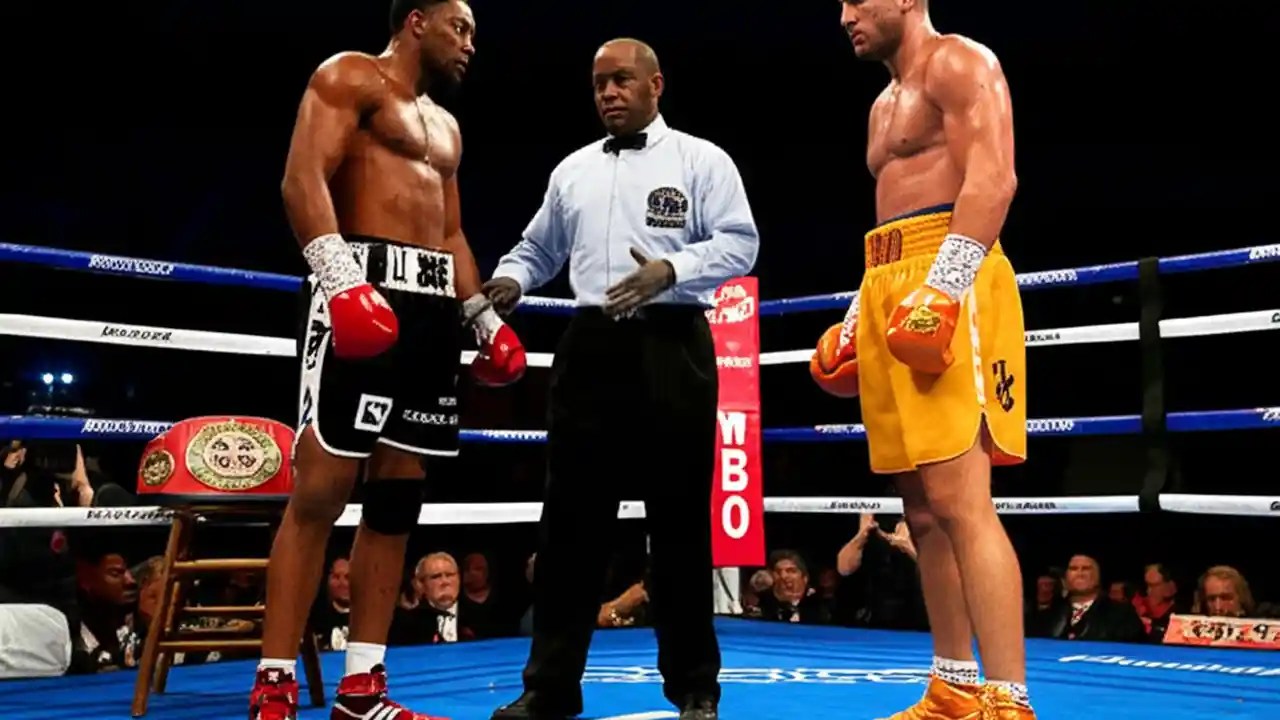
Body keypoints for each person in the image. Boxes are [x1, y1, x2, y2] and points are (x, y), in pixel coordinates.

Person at [251, 1, 527, 718]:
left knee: (398, 500)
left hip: (432, 310)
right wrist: (341, 283)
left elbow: (454, 232)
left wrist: (481, 316)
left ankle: (362, 688)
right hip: (360, 288)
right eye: (459, 28)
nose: (470, 44)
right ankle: (274, 685)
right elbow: (301, 179)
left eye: (475, 33)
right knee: (320, 492)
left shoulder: (447, 126)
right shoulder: (349, 78)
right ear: (415, 21)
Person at [482, 38, 759, 720]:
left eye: (622, 80)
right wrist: (512, 279)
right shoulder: (573, 170)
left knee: (679, 525)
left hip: (673, 341)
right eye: (599, 83)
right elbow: (537, 246)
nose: (608, 92)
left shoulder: (702, 159)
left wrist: (671, 270)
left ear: (656, 84)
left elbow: (740, 241)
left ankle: (696, 687)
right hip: (591, 343)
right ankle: (549, 688)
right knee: (570, 524)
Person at [810, 2, 1033, 718]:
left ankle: (1009, 699)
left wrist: (942, 289)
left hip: (952, 274)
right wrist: (856, 315)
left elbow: (992, 183)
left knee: (964, 503)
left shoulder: (961, 62)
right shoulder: (882, 104)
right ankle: (954, 686)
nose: (844, 14)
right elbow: (892, 223)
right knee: (922, 511)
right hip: (888, 281)